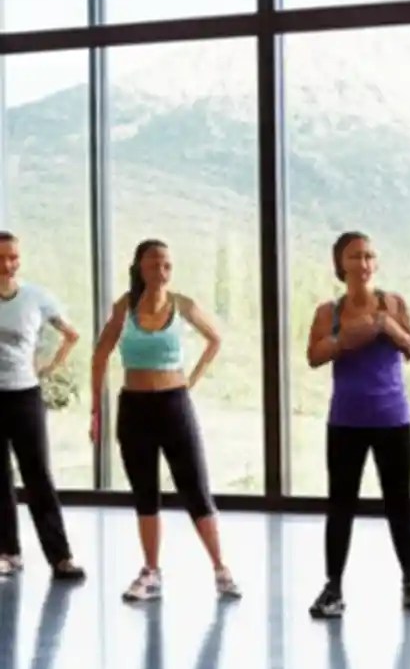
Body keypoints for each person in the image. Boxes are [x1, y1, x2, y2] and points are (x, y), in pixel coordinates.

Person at [89, 239, 241, 602]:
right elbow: (100, 356)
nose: (161, 270)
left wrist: (191, 381)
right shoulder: (124, 307)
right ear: (140, 268)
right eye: (154, 264)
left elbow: (215, 339)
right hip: (134, 409)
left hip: (175, 406)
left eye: (167, 265)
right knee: (145, 492)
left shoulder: (183, 305)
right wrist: (96, 410)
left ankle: (221, 569)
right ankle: (151, 571)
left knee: (195, 488)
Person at [306, 231, 410, 619]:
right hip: (346, 421)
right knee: (340, 505)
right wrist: (350, 336)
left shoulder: (393, 303)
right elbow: (314, 355)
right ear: (340, 264)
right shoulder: (328, 312)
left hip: (393, 419)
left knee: (399, 503)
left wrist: (386, 326)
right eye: (355, 256)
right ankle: (333, 588)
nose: (363, 263)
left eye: (369, 255)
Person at [0, 232, 85, 580]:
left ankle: (60, 557)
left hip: (25, 396)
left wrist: (48, 366)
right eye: (1, 258)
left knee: (38, 476)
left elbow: (72, 334)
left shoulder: (35, 297)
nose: (8, 264)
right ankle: (8, 553)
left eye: (13, 257)